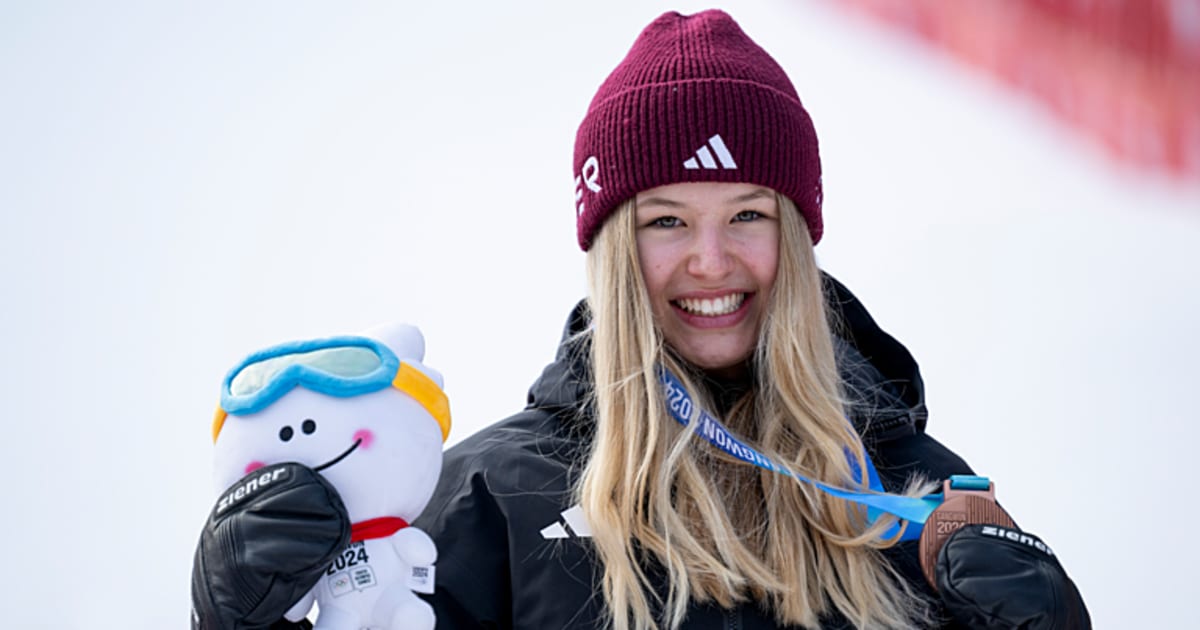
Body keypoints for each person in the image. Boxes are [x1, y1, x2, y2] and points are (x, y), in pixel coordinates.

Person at [190, 8, 1089, 630]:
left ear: (798, 237)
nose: (711, 259)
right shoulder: (484, 504)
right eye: (666, 221)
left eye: (749, 214)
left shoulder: (916, 495)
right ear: (614, 248)